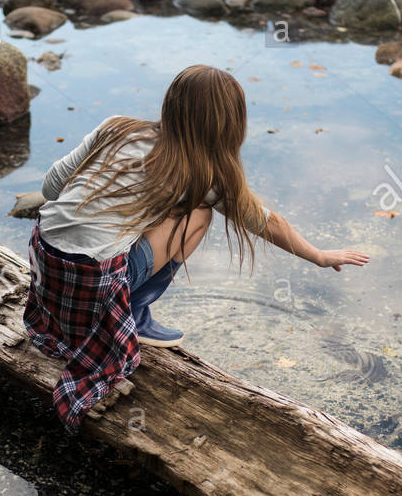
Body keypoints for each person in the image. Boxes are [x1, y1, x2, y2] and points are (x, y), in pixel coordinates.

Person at [24, 64, 370, 431]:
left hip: (45, 260)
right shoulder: (204, 175)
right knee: (197, 214)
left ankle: (96, 311)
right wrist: (319, 256)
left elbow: (51, 188)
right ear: (228, 125)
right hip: (91, 280)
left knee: (148, 217)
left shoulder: (116, 128)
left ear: (171, 103)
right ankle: (135, 314)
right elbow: (268, 223)